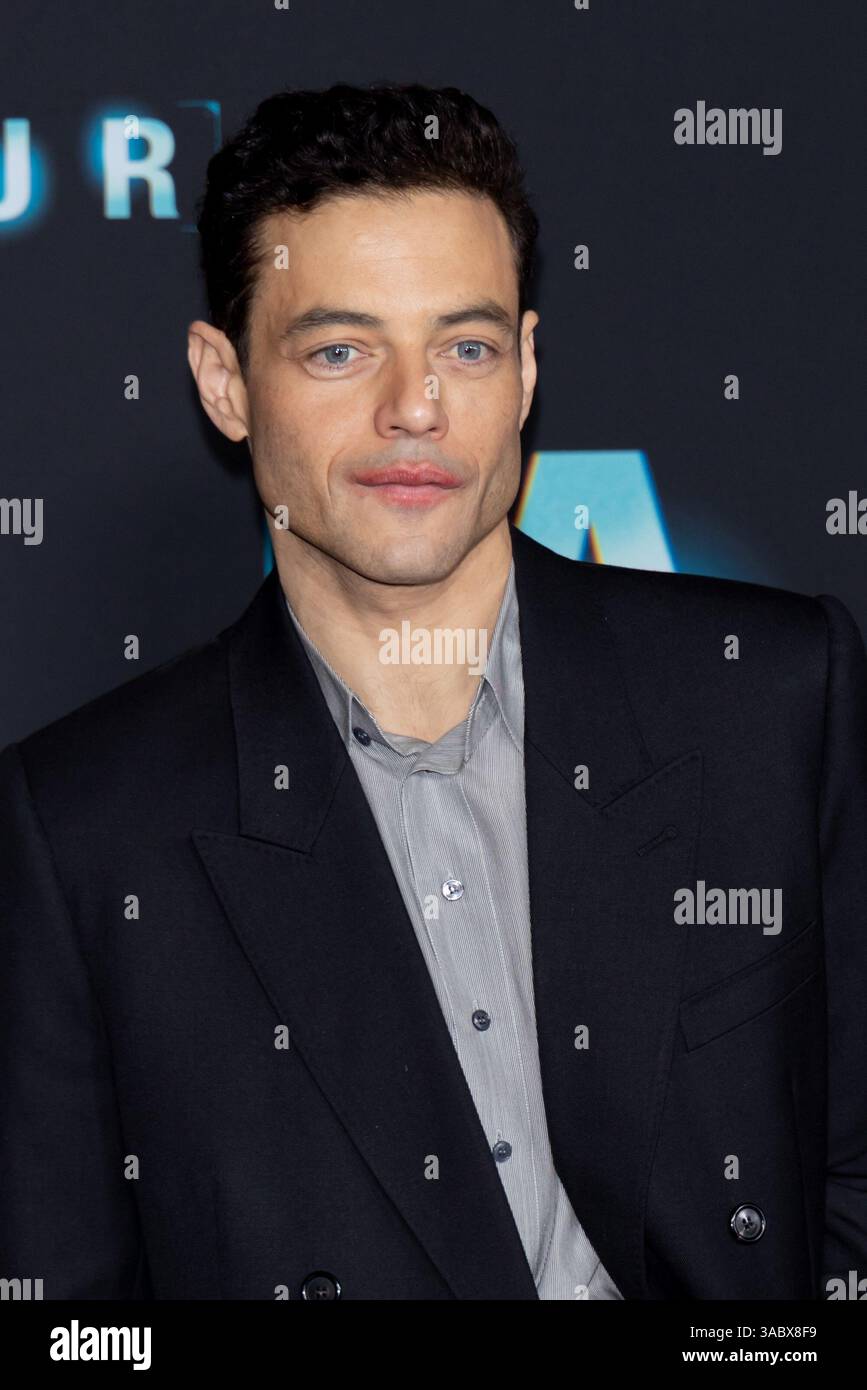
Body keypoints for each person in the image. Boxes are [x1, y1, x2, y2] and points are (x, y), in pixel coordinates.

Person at [1, 83, 865, 1301]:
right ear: (224, 380)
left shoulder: (775, 698)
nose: (416, 409)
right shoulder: (83, 832)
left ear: (523, 368)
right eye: (342, 350)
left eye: (464, 346)